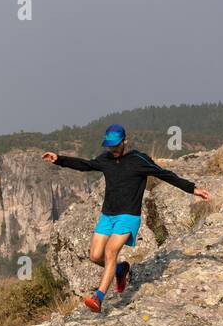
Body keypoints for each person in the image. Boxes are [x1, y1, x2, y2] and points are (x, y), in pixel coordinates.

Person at [43, 124, 211, 312]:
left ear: (125, 141)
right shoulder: (105, 159)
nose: (112, 149)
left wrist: (192, 188)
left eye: (115, 145)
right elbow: (86, 165)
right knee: (95, 255)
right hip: (108, 216)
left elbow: (165, 174)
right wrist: (59, 159)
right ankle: (120, 269)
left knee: (110, 252)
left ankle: (98, 297)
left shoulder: (138, 160)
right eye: (109, 145)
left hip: (128, 216)